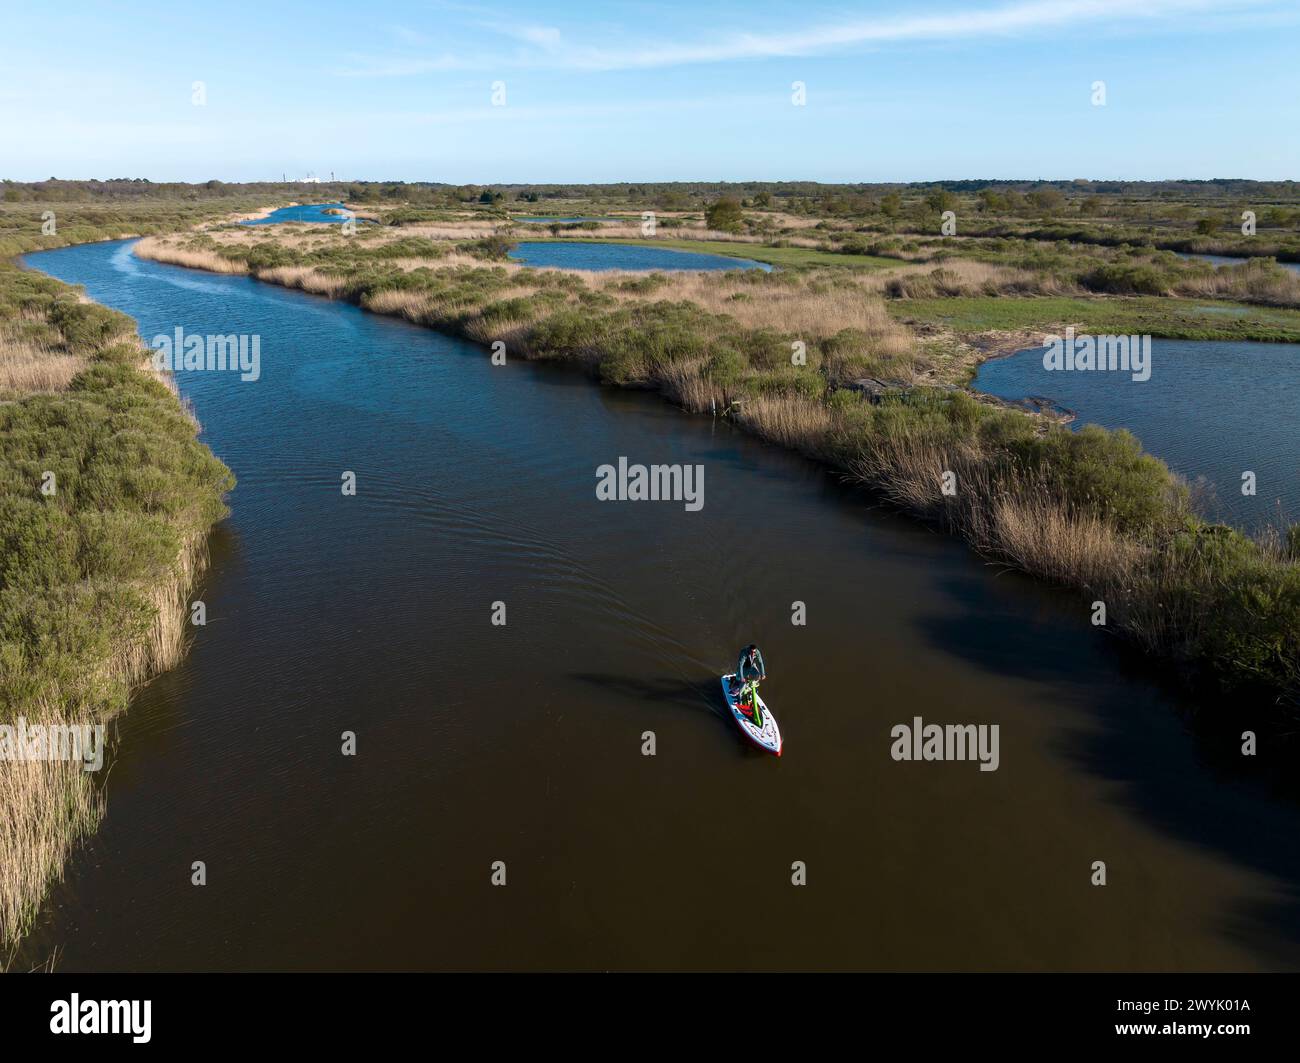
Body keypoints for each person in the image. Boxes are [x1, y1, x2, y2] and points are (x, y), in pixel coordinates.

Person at [733, 644, 767, 724]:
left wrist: (763, 674)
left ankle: (751, 688)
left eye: (754, 652)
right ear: (749, 650)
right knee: (742, 682)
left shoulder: (757, 652)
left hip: (751, 666)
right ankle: (739, 697)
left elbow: (760, 663)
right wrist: (742, 677)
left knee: (757, 675)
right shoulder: (744, 653)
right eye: (751, 652)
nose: (753, 654)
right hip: (744, 667)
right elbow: (741, 665)